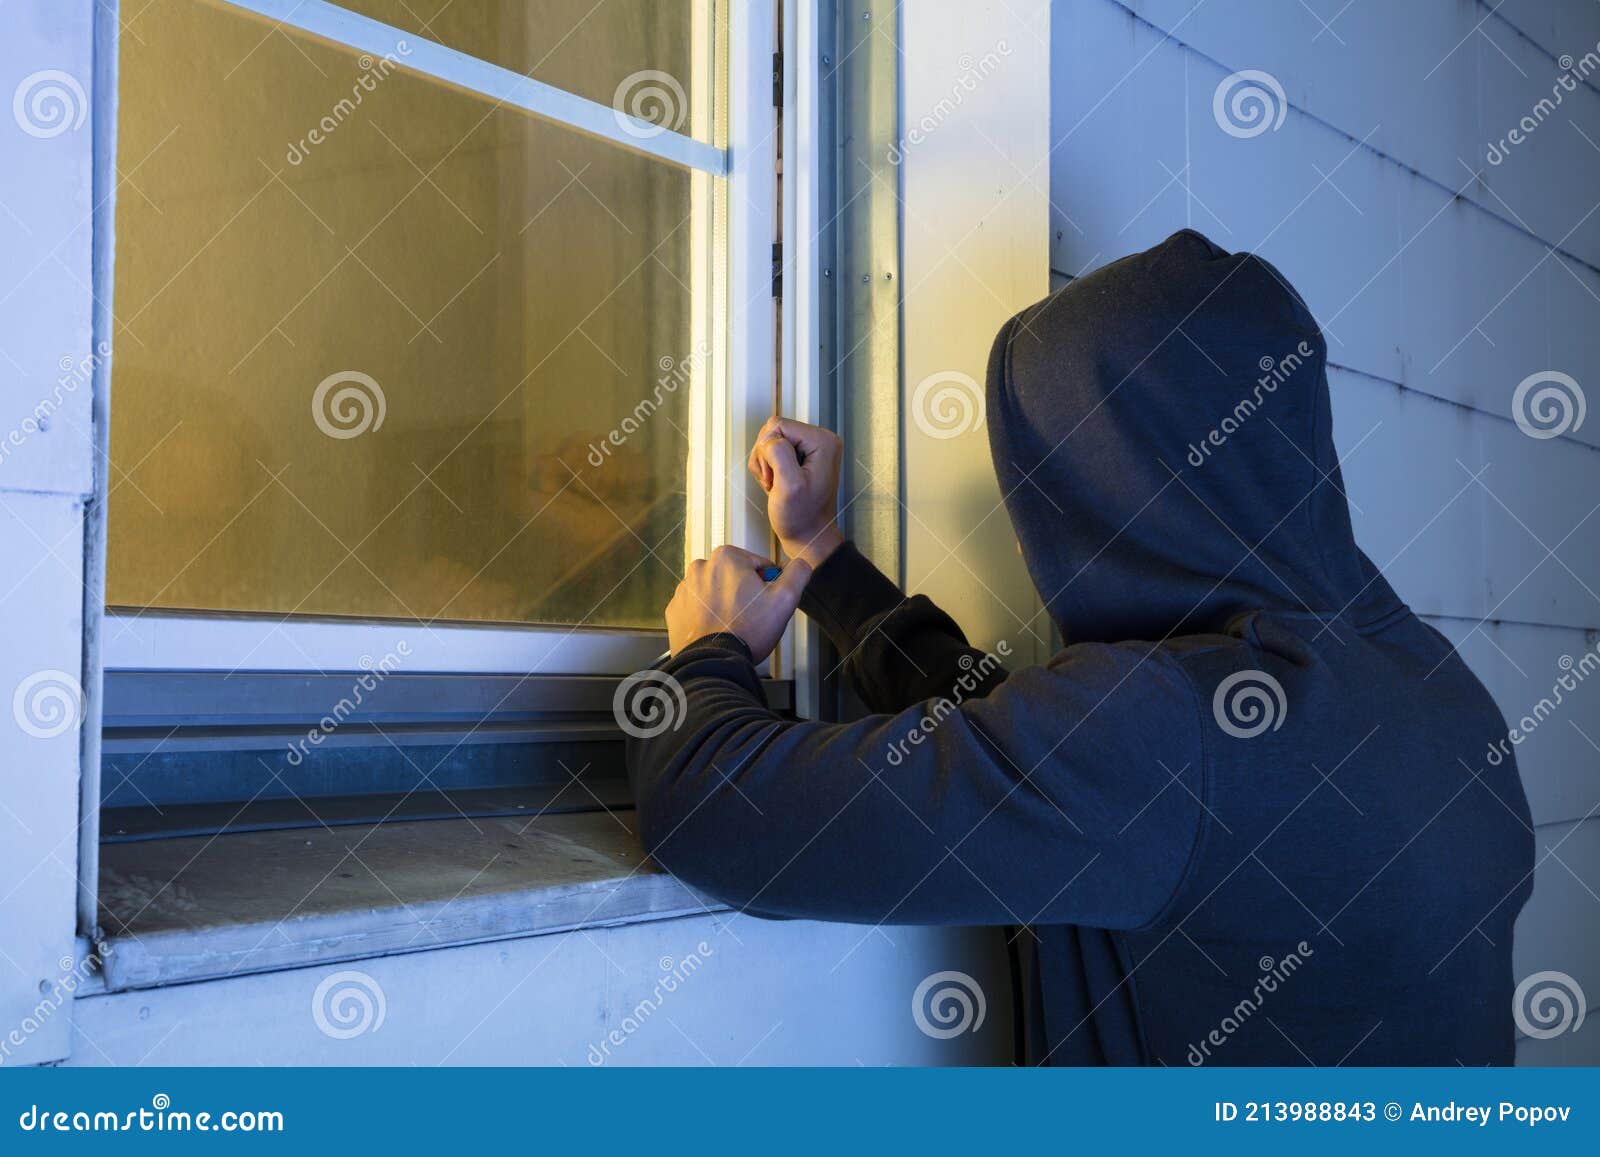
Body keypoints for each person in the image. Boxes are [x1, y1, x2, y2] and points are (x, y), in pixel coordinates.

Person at [624, 230, 1534, 1065]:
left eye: (1047, 487)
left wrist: (706, 655)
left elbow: (720, 810)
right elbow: (1028, 760)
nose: (1032, 541)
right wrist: (821, 558)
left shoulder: (1173, 738)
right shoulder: (1437, 690)